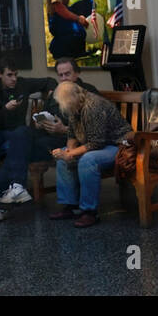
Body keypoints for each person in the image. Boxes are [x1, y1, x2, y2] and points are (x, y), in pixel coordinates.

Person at [0, 63, 57, 222]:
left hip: (14, 132)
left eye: (15, 74)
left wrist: (52, 90)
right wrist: (5, 110)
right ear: (0, 74)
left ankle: (6, 193)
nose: (14, 79)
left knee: (16, 143)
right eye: (9, 75)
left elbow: (49, 80)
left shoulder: (22, 83)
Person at [48, 82, 131, 227]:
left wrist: (72, 153)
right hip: (97, 145)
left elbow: (96, 143)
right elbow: (72, 134)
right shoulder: (75, 105)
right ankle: (70, 206)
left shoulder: (93, 107)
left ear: (71, 98)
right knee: (62, 159)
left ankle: (89, 212)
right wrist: (68, 151)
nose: (63, 107)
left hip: (117, 145)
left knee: (88, 160)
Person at [31, 57, 99, 159]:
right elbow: (43, 113)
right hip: (52, 134)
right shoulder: (55, 93)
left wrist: (64, 129)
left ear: (76, 73)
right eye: (61, 75)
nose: (64, 78)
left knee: (38, 144)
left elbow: (94, 129)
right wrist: (40, 123)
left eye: (67, 74)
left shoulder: (88, 92)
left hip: (75, 140)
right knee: (25, 134)